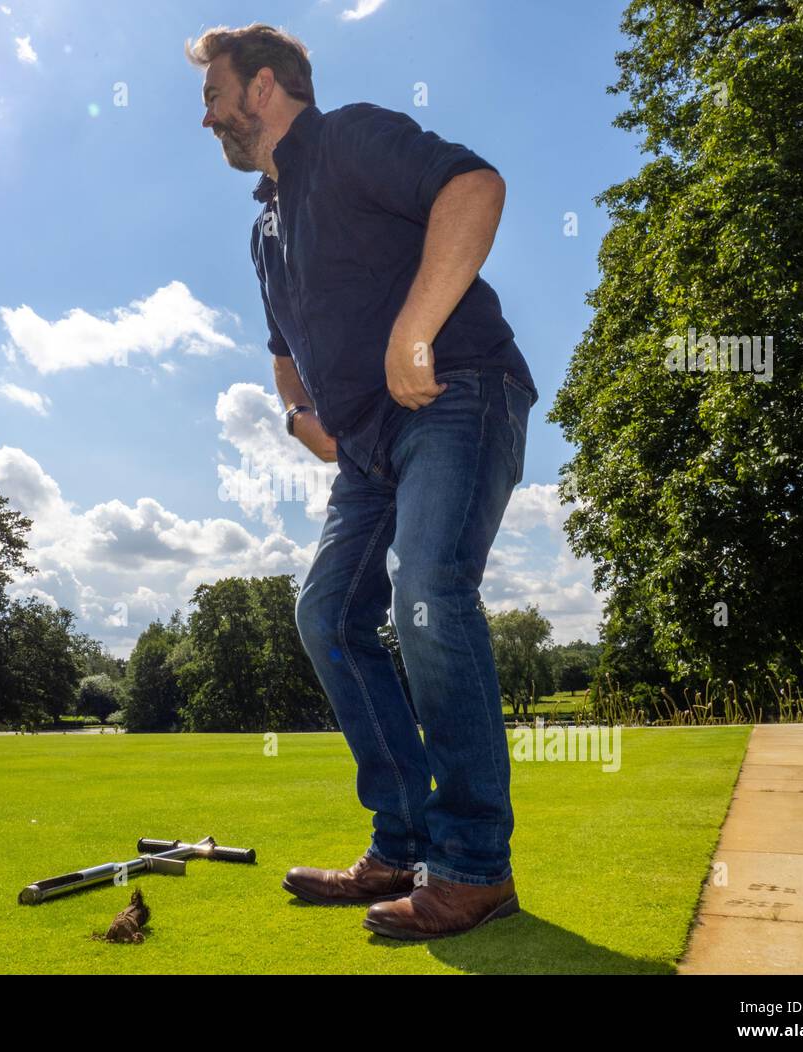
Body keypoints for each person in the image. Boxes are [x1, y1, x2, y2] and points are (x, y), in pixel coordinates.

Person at [188, 22, 536, 941]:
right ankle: (403, 841)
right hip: (370, 450)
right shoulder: (263, 228)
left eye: (213, 95)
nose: (207, 117)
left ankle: (473, 868)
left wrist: (415, 331)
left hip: (458, 394)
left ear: (263, 88)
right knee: (328, 616)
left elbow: (474, 187)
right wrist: (304, 420)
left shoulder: (351, 138)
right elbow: (283, 355)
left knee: (426, 592)